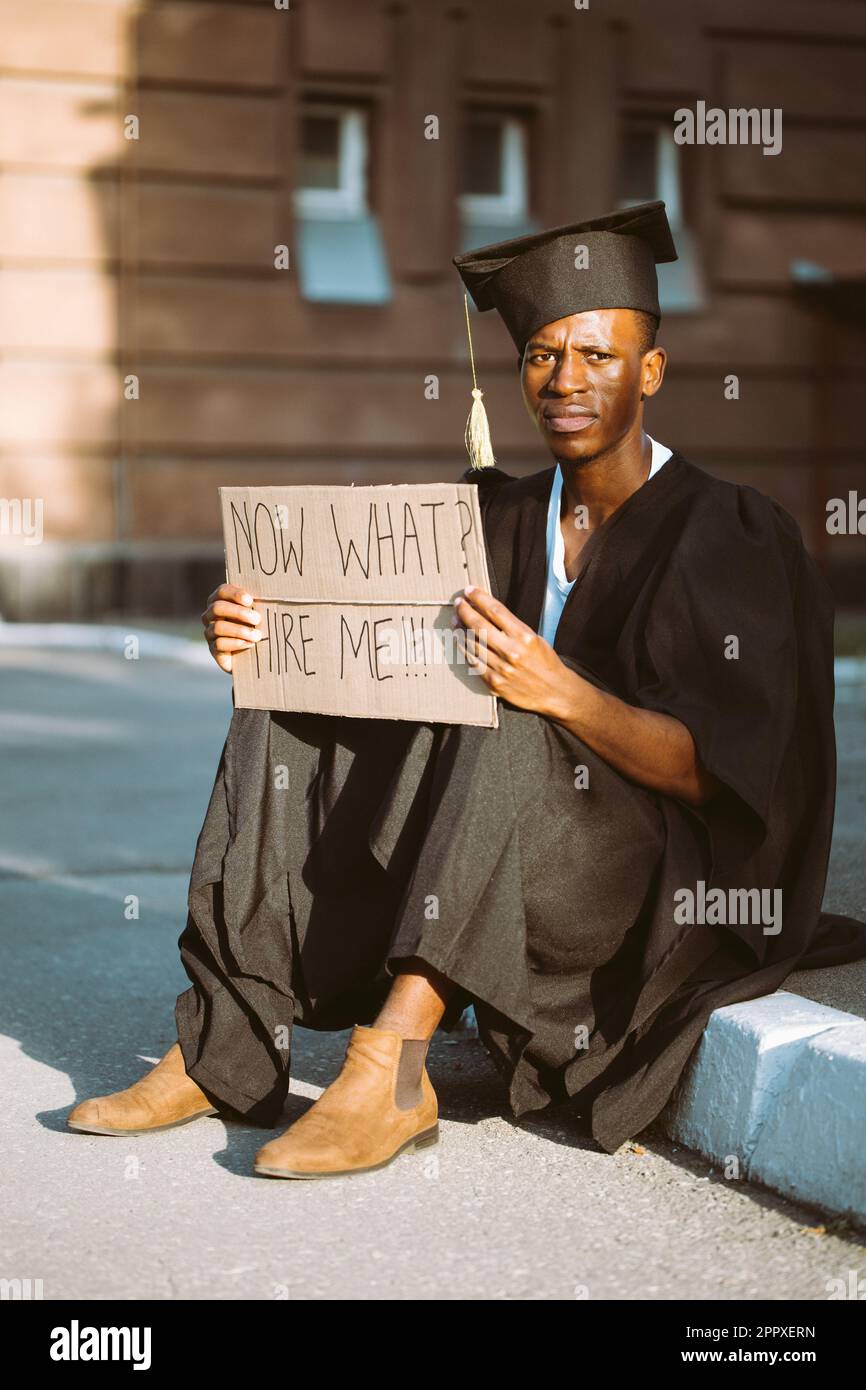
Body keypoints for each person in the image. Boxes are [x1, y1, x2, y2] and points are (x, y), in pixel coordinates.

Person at [67, 200, 866, 1178]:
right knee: (282, 704)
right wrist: (260, 636)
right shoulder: (494, 516)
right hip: (498, 842)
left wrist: (562, 690)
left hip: (653, 878)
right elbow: (375, 667)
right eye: (539, 355)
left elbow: (719, 777)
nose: (564, 381)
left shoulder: (728, 534)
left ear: (649, 372)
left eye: (595, 355)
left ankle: (394, 1067)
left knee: (512, 707)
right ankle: (221, 1043)